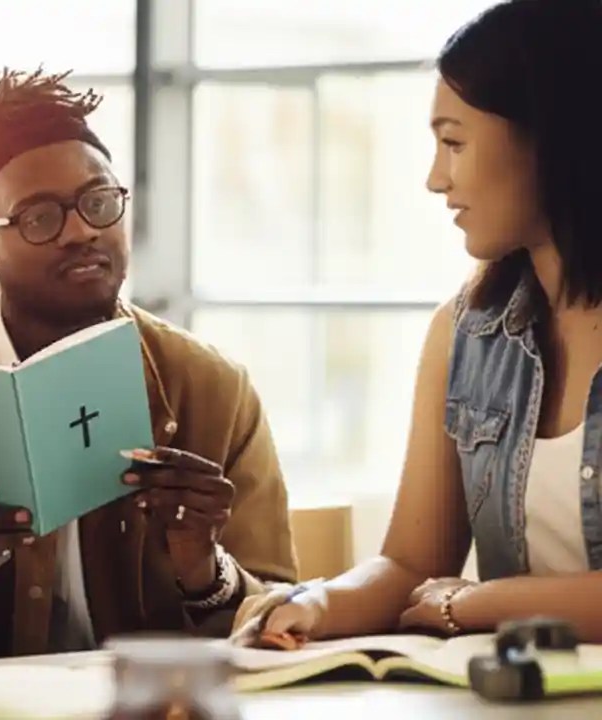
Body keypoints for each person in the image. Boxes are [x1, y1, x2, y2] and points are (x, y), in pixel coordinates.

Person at [0, 67, 298, 667]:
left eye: (99, 203)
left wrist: (204, 568)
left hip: (153, 703)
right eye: (39, 217)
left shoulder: (213, 388)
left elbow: (280, 616)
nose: (81, 231)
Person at [235, 0, 602, 646]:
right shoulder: (465, 334)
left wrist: (478, 601)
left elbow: (448, 594)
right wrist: (313, 604)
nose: (436, 179)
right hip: (516, 694)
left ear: (550, 136)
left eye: (454, 142)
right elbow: (410, 566)